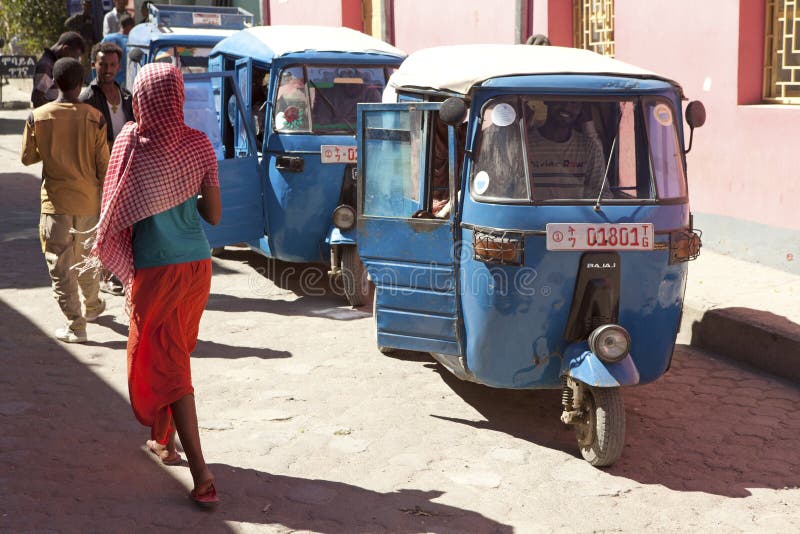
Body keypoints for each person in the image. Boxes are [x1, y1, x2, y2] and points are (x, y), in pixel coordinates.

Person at [87, 63, 222, 506]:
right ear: (178, 96)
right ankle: (163, 440)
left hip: (156, 269)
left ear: (140, 97)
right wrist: (185, 186)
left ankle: (202, 474)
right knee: (171, 354)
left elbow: (115, 206)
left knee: (167, 363)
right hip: (197, 267)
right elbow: (215, 216)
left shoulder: (129, 141)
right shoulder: (199, 144)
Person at [20, 58, 109, 343]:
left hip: (55, 205)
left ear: (55, 83)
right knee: (87, 259)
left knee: (60, 265)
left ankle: (75, 325)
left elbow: (27, 157)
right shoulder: (96, 117)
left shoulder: (38, 116)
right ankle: (93, 306)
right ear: (81, 84)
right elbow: (103, 166)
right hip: (88, 203)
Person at [80, 41, 135, 296]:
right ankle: (103, 275)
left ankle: (120, 272)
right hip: (99, 172)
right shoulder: (87, 97)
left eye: (113, 64)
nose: (108, 69)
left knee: (122, 223)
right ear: (94, 65)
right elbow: (84, 138)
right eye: (103, 64)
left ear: (119, 66)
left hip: (125, 169)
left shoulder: (126, 96)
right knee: (103, 223)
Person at [527, 100, 606, 199]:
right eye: (560, 99)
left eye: (574, 102)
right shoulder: (525, 144)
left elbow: (602, 194)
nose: (567, 107)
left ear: (582, 108)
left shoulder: (589, 147)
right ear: (547, 100)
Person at [31, 32, 86, 108]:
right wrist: (58, 113)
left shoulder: (54, 63)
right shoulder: (46, 65)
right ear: (65, 49)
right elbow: (37, 99)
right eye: (74, 57)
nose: (74, 60)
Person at [65, 0, 99, 78]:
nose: (86, 7)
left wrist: (95, 42)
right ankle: (79, 78)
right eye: (85, 5)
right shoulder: (78, 17)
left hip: (89, 43)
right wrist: (75, 31)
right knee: (82, 62)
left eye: (88, 6)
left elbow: (92, 31)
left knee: (88, 64)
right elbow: (67, 23)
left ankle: (83, 79)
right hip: (81, 43)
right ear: (82, 6)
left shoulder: (90, 18)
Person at [101, 13, 134, 88]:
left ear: (120, 25)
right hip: (127, 82)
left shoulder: (108, 38)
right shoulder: (133, 42)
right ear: (131, 26)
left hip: (108, 79)